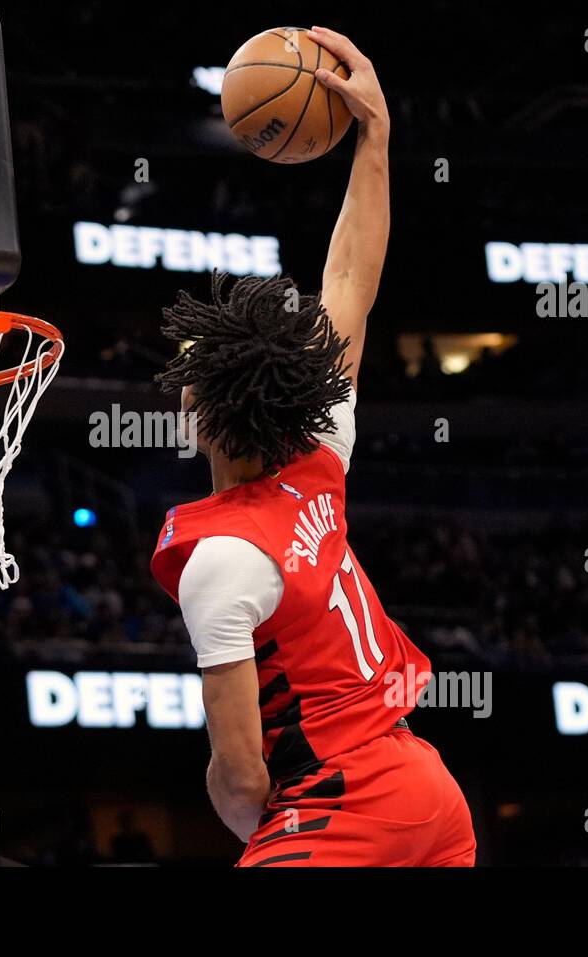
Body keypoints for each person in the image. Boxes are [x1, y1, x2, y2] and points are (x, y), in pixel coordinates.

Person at [150, 26, 475, 866]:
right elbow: (349, 282)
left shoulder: (221, 559)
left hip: (348, 805)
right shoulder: (319, 448)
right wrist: (376, 137)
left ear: (206, 419)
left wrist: (271, 836)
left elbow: (239, 775)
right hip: (431, 790)